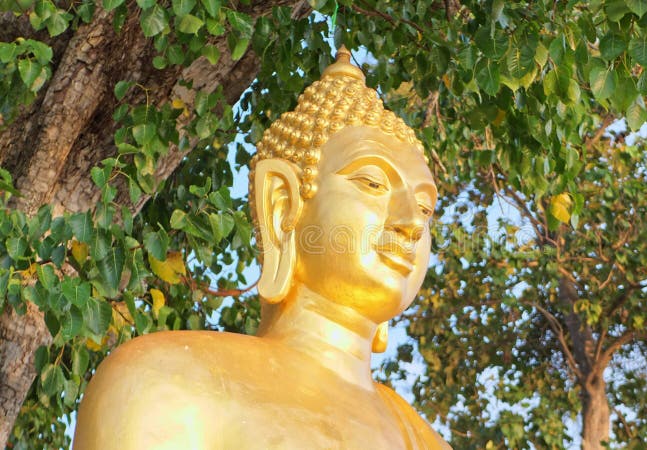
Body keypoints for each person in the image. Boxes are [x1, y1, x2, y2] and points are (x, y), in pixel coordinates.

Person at [73, 47, 451, 449]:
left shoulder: (426, 441)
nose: (412, 222)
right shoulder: (167, 382)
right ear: (282, 204)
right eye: (373, 183)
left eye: (426, 207)